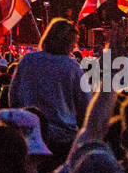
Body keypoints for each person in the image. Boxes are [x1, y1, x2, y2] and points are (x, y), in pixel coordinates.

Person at [7, 18, 89, 159]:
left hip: (29, 134)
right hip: (63, 139)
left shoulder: (28, 61)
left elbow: (13, 97)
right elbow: (86, 106)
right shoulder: (72, 67)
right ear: (68, 43)